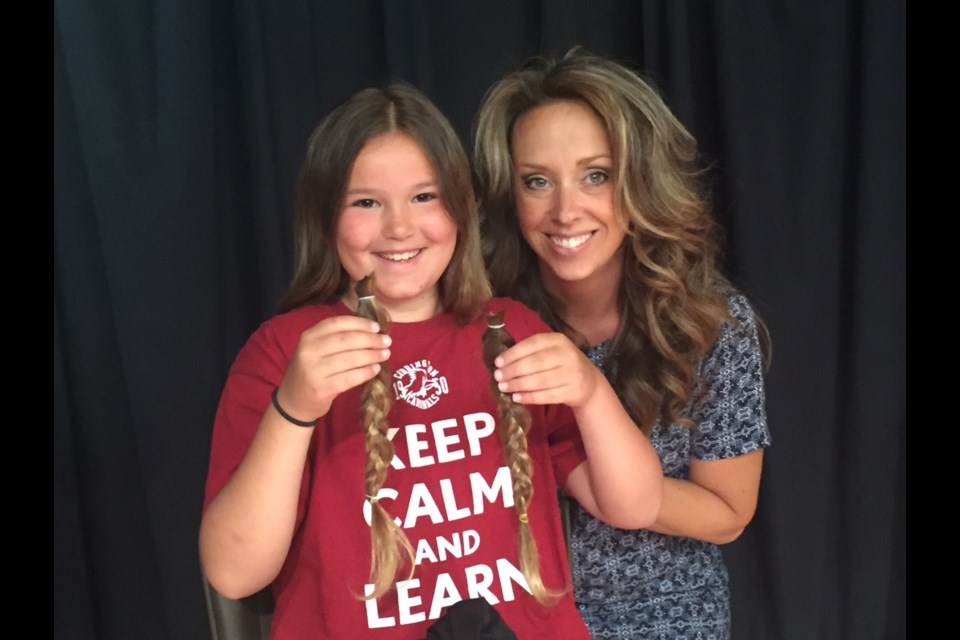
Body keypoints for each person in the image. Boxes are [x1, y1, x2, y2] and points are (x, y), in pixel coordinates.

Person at [200, 83, 663, 640]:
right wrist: (293, 410)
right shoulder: (283, 351)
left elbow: (636, 505)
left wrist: (590, 391)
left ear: (461, 207)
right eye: (366, 202)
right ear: (325, 217)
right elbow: (233, 571)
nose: (399, 227)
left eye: (424, 197)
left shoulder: (509, 328)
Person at [474, 47, 771, 639]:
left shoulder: (709, 322)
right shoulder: (484, 318)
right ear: (510, 193)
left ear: (639, 179)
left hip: (663, 616)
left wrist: (607, 477)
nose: (565, 210)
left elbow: (729, 515)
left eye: (595, 175)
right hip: (507, 618)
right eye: (537, 181)